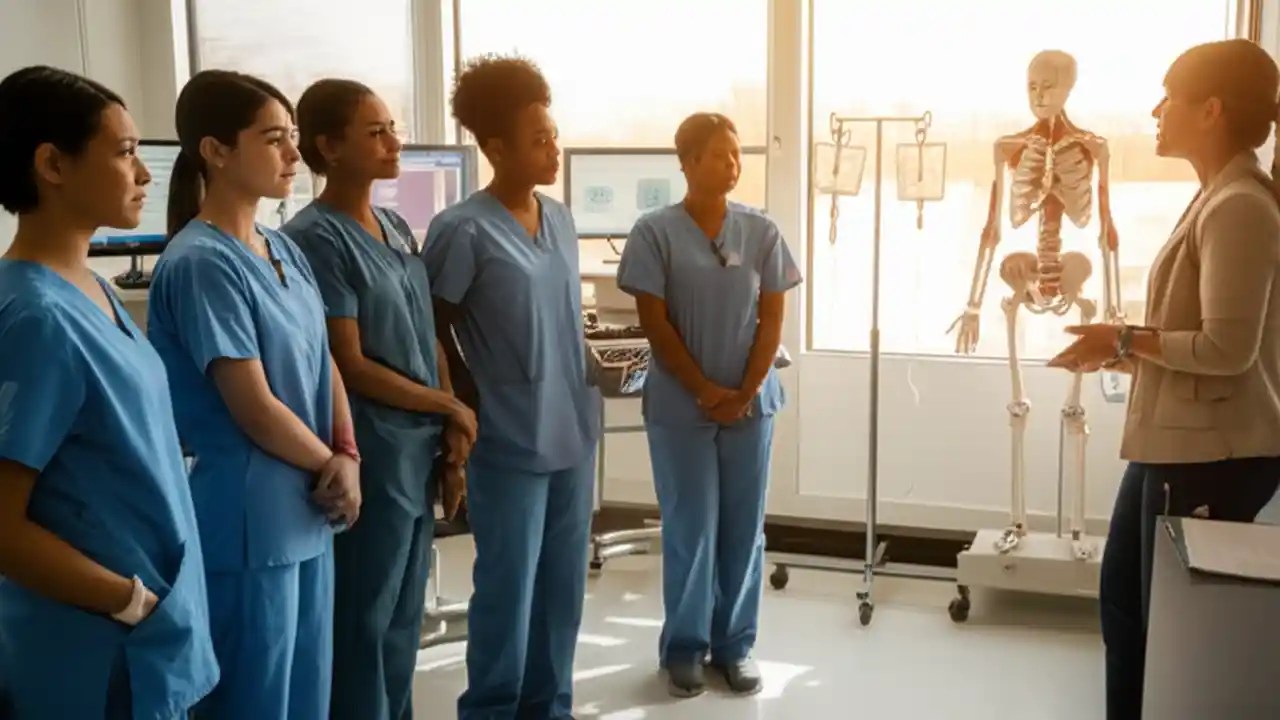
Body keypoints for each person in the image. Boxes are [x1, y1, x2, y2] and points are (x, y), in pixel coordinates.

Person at [1047, 38, 1280, 719]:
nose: (1156, 111)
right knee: (1126, 612)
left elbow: (1227, 350)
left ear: (1211, 110)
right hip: (1175, 446)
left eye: (1169, 98)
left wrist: (1122, 339)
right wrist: (1118, 353)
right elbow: (1196, 336)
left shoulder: (1240, 206)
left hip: (1211, 457)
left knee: (1169, 639)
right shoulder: (1215, 197)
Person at [0, 66, 218, 718]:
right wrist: (130, 601)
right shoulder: (37, 317)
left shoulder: (93, 288)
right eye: (125, 153)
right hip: (91, 645)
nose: (145, 174)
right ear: (52, 164)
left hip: (143, 633)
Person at [146, 69, 361, 720]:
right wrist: (329, 464)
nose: (295, 154)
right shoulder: (201, 262)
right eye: (274, 139)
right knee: (254, 701)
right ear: (216, 150)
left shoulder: (280, 248)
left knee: (306, 697)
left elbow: (324, 361)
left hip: (309, 511)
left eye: (292, 136)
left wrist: (348, 452)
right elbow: (254, 407)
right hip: (247, 522)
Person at [283, 78, 476, 720]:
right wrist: (446, 407)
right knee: (364, 619)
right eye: (376, 132)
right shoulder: (317, 238)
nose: (395, 142)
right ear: (329, 147)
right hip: (373, 449)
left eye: (392, 128)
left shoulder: (392, 226)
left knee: (402, 618)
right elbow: (350, 363)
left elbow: (427, 331)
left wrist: (451, 426)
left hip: (417, 446)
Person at [423, 54, 601, 719]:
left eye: (553, 135)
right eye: (538, 139)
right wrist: (462, 401)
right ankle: (492, 709)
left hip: (572, 427)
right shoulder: (463, 229)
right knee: (507, 587)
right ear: (495, 148)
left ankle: (549, 706)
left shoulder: (560, 219)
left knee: (563, 587)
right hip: (507, 434)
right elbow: (430, 323)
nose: (553, 149)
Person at [616, 112, 802, 698]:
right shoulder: (654, 232)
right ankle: (685, 648)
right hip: (681, 404)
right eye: (721, 155)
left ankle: (736, 646)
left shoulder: (760, 230)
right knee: (690, 529)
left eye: (737, 154)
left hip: (750, 402)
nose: (733, 165)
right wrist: (702, 388)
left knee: (743, 529)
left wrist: (745, 390)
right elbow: (655, 324)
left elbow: (773, 316)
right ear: (688, 161)